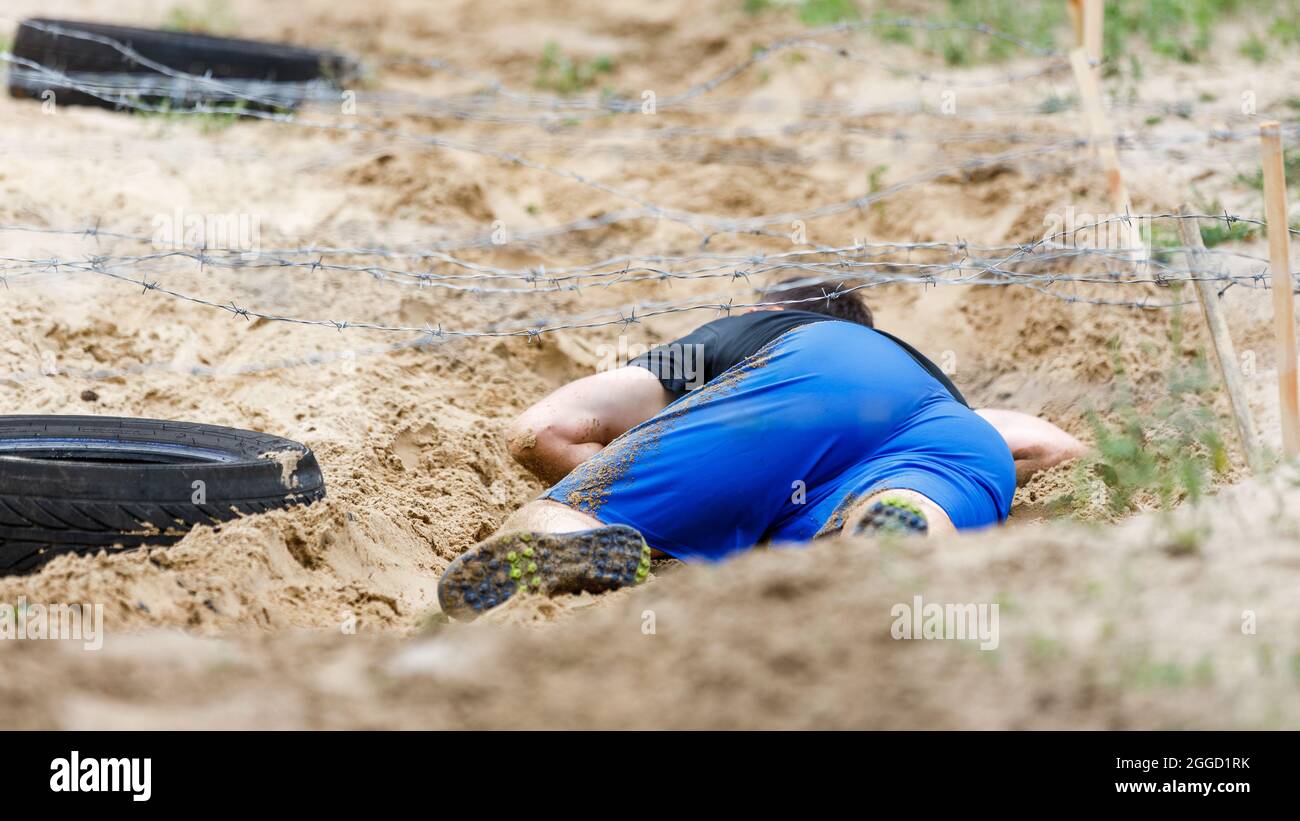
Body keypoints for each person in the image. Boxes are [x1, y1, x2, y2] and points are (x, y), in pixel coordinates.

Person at [437, 280, 1085, 618]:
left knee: (575, 510)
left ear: (770, 313)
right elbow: (1048, 446)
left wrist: (673, 514)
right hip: (955, 439)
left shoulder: (749, 336)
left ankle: (576, 537)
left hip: (805, 382)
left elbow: (543, 429)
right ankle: (894, 530)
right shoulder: (929, 385)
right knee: (903, 503)